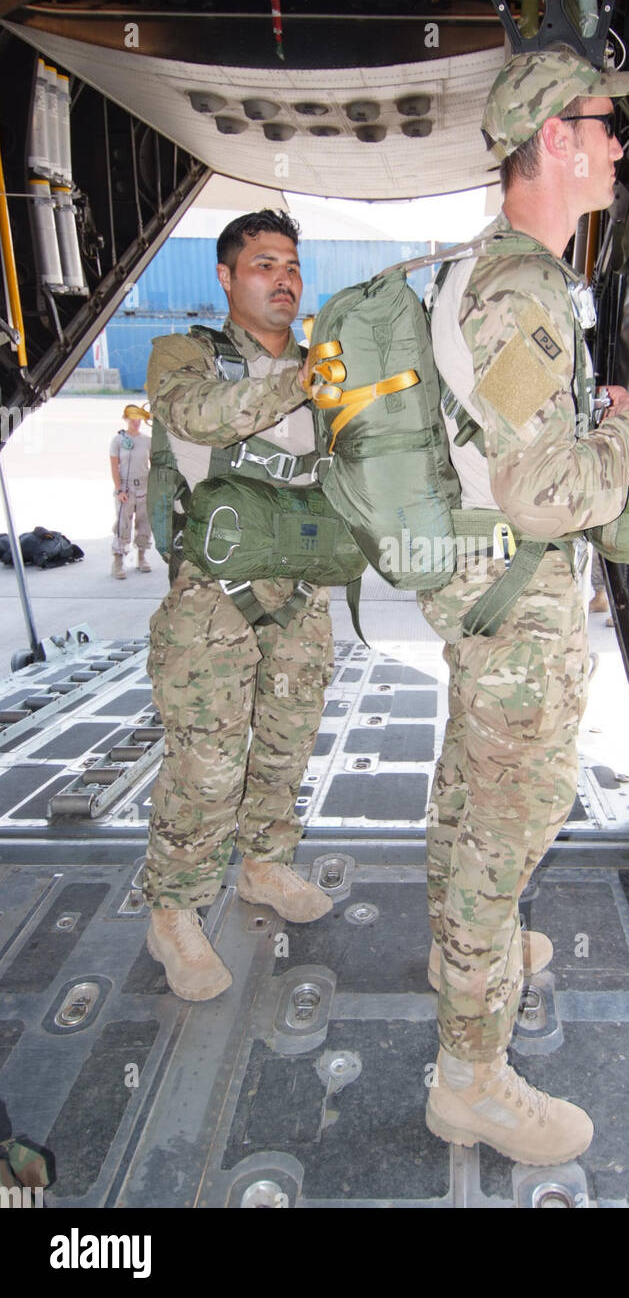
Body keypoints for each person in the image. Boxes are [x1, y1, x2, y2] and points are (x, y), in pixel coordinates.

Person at [420, 45, 629, 1165]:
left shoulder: (505, 275)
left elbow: (515, 446)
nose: (620, 145)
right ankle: (469, 1079)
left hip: (493, 597)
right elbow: (541, 492)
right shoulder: (519, 287)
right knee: (506, 825)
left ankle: (463, 954)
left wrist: (588, 423)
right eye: (605, 126)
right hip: (518, 608)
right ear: (555, 139)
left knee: (471, 801)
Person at [142, 209, 333, 1001]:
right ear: (225, 277)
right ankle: (173, 911)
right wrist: (301, 382)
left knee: (286, 745)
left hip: (301, 589)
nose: (283, 279)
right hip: (213, 598)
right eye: (263, 264)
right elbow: (198, 414)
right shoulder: (184, 354)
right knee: (207, 763)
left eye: (291, 265)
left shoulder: (328, 364)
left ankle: (264, 863)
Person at [109, 404, 152, 579]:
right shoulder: (118, 440)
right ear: (125, 419)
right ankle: (118, 562)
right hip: (126, 489)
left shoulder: (147, 440)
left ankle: (141, 558)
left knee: (144, 524)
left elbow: (153, 463)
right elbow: (114, 467)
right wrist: (119, 490)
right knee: (122, 525)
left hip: (144, 487)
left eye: (138, 418)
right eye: (132, 418)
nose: (136, 422)